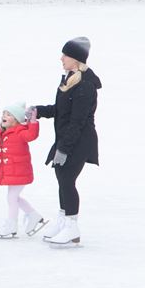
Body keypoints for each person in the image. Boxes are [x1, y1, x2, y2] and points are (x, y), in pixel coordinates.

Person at [33, 37, 101, 247]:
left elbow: (77, 122)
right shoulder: (70, 78)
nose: (61, 58)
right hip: (67, 138)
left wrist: (63, 148)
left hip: (79, 141)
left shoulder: (85, 85)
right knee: (62, 177)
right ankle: (64, 220)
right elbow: (60, 110)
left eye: (65, 55)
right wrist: (38, 111)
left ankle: (72, 227)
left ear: (76, 59)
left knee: (67, 179)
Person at [0, 102, 47, 240]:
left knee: (11, 198)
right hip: (10, 172)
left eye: (8, 114)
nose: (4, 117)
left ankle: (12, 225)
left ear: (17, 120)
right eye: (3, 114)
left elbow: (31, 135)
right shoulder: (1, 132)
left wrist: (32, 121)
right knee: (14, 198)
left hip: (20, 170)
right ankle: (33, 216)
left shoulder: (20, 132)